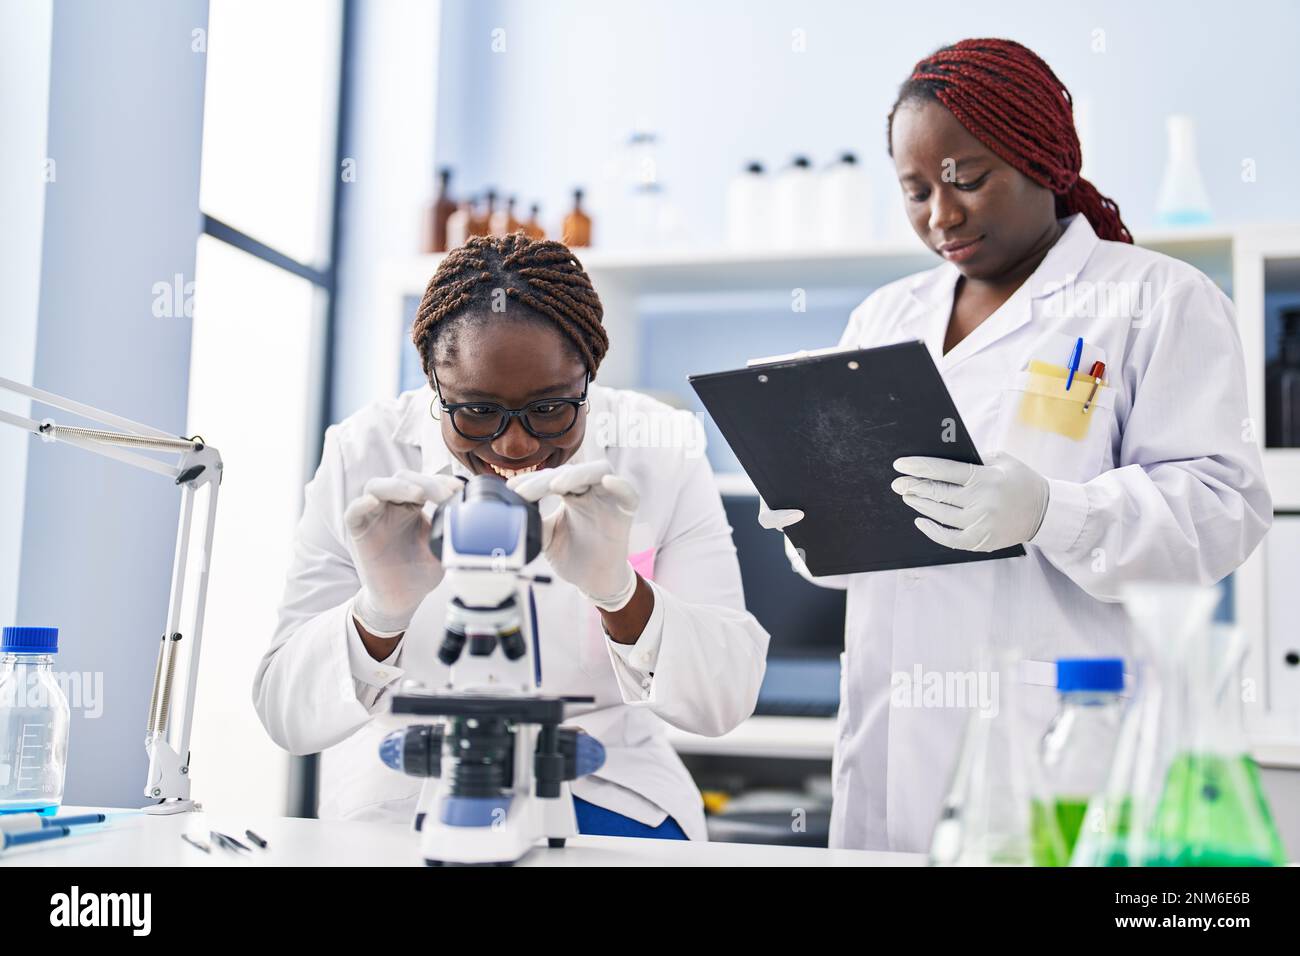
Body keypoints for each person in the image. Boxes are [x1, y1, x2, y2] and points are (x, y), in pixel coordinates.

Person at [761, 38, 1271, 852]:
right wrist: (812, 517)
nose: (941, 214)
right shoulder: (884, 318)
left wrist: (1049, 511)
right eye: (916, 189)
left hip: (1056, 742)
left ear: (1045, 158)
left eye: (967, 178)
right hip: (889, 746)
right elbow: (854, 560)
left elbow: (1221, 512)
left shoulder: (1156, 300)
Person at [254, 233, 768, 840]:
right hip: (405, 787)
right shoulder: (363, 454)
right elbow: (286, 713)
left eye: (551, 408)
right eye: (476, 411)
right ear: (433, 387)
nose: (514, 446)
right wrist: (379, 613)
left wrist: (622, 595)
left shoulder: (661, 447)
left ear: (589, 378)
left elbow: (725, 698)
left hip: (602, 781)